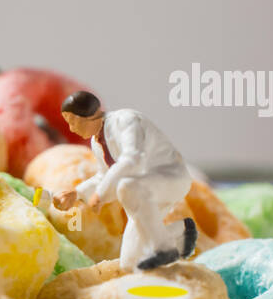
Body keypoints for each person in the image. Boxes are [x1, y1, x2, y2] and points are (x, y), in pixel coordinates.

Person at [54, 90, 197, 272]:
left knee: (126, 186)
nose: (71, 129)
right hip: (140, 193)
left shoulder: (126, 120)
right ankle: (182, 232)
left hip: (168, 178)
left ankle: (165, 248)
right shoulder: (96, 141)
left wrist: (101, 193)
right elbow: (103, 176)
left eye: (72, 121)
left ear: (87, 116)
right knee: (130, 265)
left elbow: (132, 159)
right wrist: (77, 193)